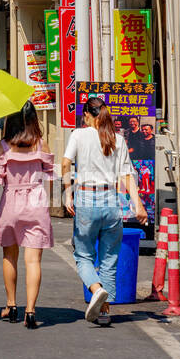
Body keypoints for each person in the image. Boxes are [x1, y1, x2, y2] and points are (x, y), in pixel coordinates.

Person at [61, 95, 146, 326]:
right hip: (111, 202)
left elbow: (66, 162)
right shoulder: (117, 139)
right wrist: (138, 204)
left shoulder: (78, 135)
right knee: (109, 259)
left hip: (86, 199)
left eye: (85, 116)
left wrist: (68, 192)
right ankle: (105, 312)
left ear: (88, 115)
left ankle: (96, 289)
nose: (84, 120)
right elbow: (127, 175)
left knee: (83, 255)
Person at [0, 101, 53, 329]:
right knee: (33, 260)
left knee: (9, 256)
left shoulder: (3, 146)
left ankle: (11, 306)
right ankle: (30, 311)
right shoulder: (42, 144)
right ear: (33, 120)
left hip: (11, 202)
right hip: (36, 203)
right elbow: (52, 174)